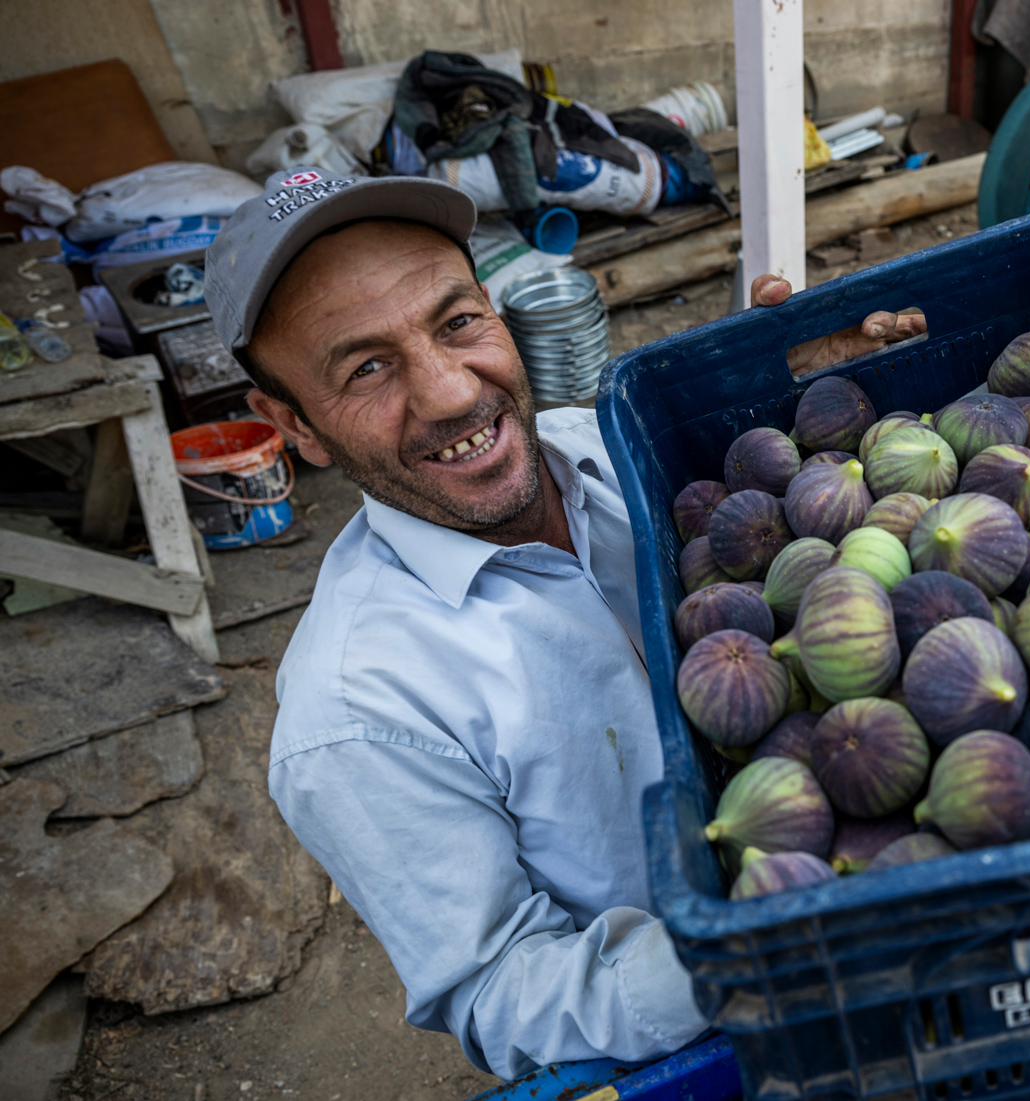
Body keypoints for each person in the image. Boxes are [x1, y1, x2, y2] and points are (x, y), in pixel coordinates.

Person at [202, 166, 924, 1081]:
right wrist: (732, 944)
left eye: (456, 322)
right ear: (294, 425)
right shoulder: (357, 711)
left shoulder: (615, 441)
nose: (451, 393)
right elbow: (498, 989)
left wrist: (793, 403)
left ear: (495, 309)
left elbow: (772, 520)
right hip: (744, 1040)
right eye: (367, 368)